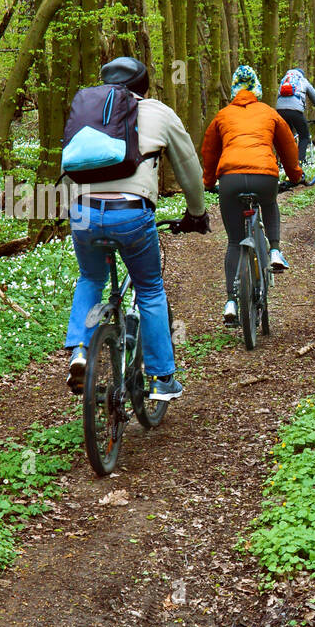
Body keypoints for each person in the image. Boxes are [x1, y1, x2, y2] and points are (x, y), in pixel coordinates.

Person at [63, 57, 209, 401]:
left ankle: (80, 351)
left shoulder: (87, 112)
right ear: (144, 86)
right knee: (149, 289)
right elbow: (188, 166)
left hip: (82, 213)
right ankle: (161, 379)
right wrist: (196, 212)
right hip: (130, 212)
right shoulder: (158, 111)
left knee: (91, 278)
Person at [202, 65, 305, 323]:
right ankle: (275, 251)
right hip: (264, 177)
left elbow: (210, 152)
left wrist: (208, 181)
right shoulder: (269, 113)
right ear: (257, 89)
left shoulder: (222, 116)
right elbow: (288, 146)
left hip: (230, 181)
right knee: (269, 203)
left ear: (235, 90)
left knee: (235, 241)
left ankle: (230, 302)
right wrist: (294, 176)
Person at [274, 66, 315, 166]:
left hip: (280, 111)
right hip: (296, 111)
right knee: (304, 136)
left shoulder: (284, 80)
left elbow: (278, 97)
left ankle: (281, 163)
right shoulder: (303, 81)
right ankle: (298, 165)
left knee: (286, 138)